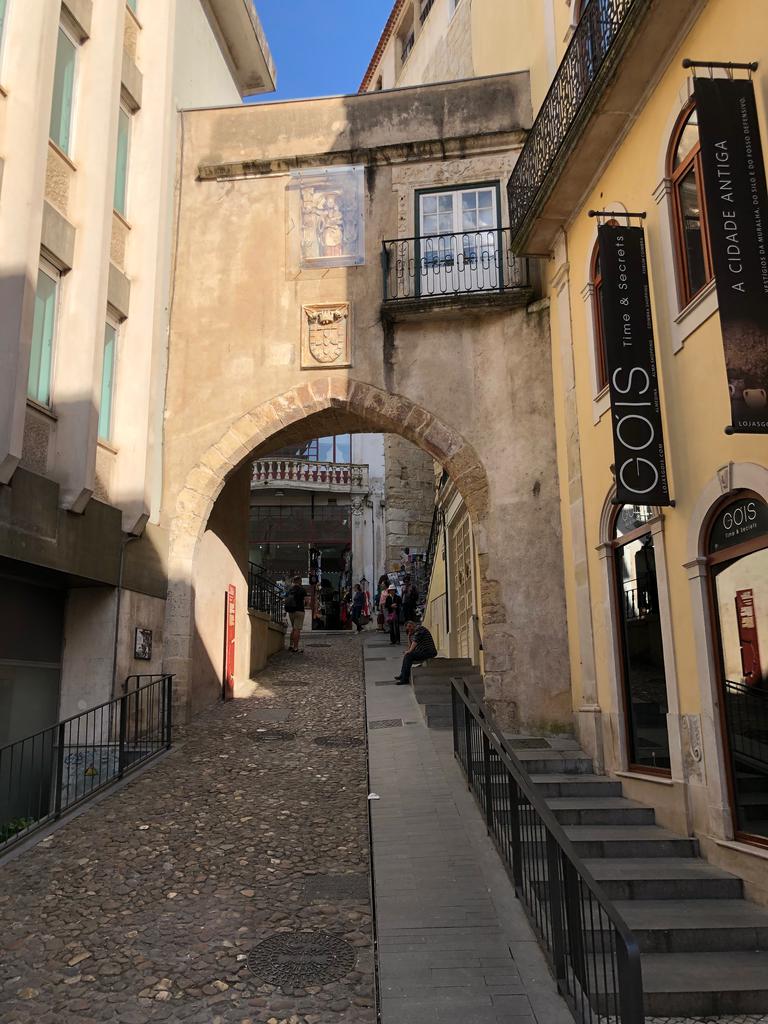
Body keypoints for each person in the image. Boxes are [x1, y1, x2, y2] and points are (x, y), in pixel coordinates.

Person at [284, 575, 307, 653]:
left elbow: (285, 599)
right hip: (299, 611)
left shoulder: (289, 590)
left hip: (291, 611)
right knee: (297, 629)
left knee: (294, 628)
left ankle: (291, 645)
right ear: (300, 581)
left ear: (293, 581)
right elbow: (306, 601)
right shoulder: (302, 590)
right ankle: (296, 647)